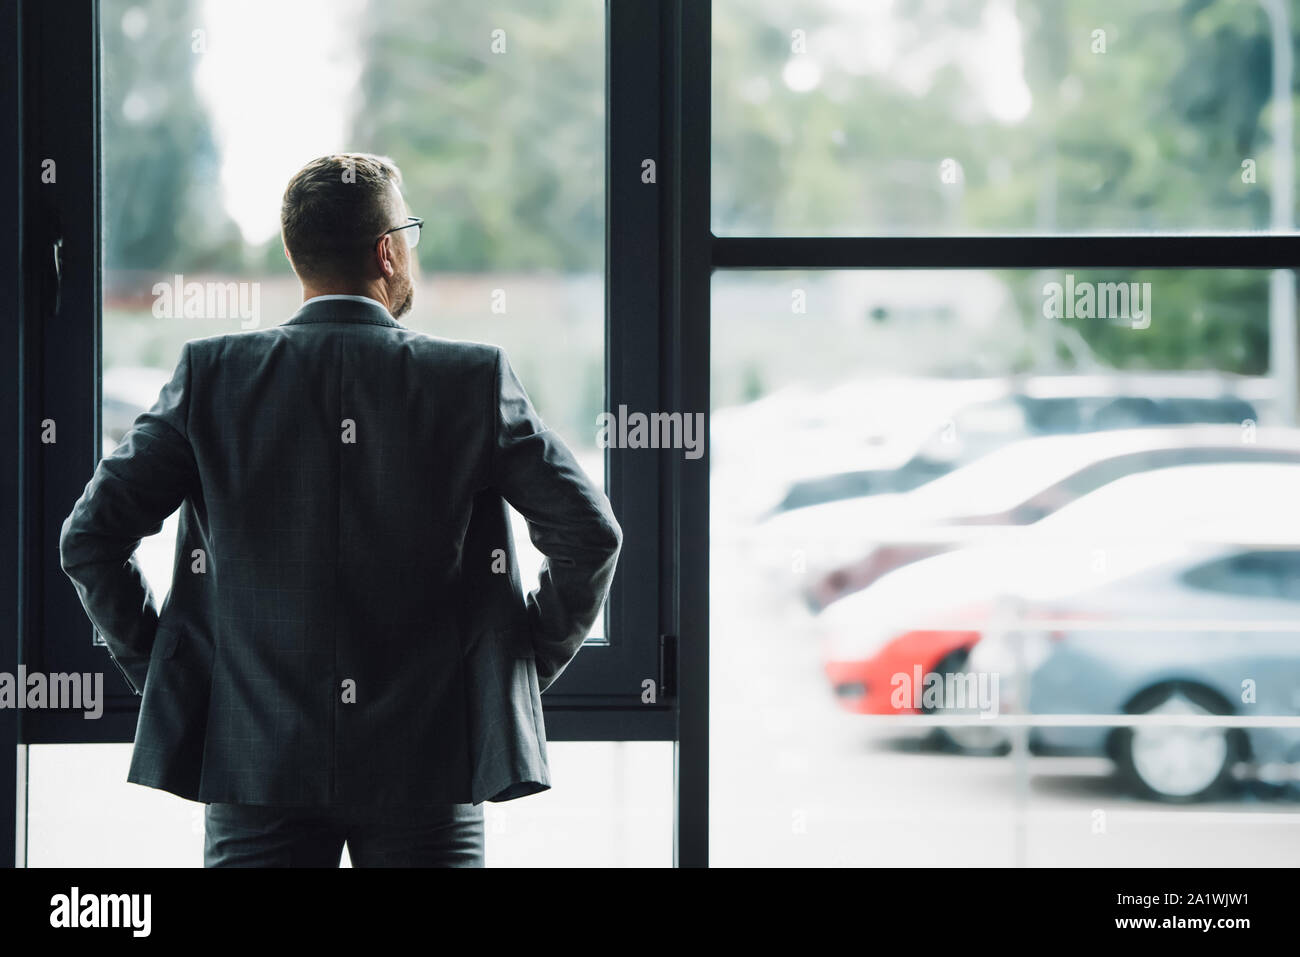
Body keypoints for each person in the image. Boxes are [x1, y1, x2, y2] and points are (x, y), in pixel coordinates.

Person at [59, 153, 622, 867]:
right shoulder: (470, 380)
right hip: (429, 764)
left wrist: (184, 672)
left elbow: (89, 540)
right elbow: (589, 535)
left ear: (298, 255)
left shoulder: (214, 375)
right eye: (408, 234)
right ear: (387, 251)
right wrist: (504, 672)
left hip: (256, 760)